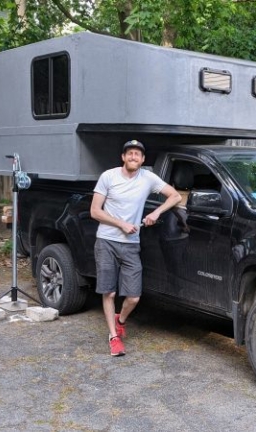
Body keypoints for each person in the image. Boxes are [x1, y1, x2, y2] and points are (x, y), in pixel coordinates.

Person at [90, 139, 182, 356]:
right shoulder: (108, 177)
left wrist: (156, 212)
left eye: (137, 154)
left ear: (142, 160)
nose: (133, 157)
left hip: (131, 244)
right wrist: (121, 224)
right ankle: (114, 337)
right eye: (130, 153)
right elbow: (95, 211)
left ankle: (120, 320)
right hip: (106, 241)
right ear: (123, 157)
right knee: (109, 291)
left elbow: (175, 196)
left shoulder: (148, 178)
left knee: (133, 297)